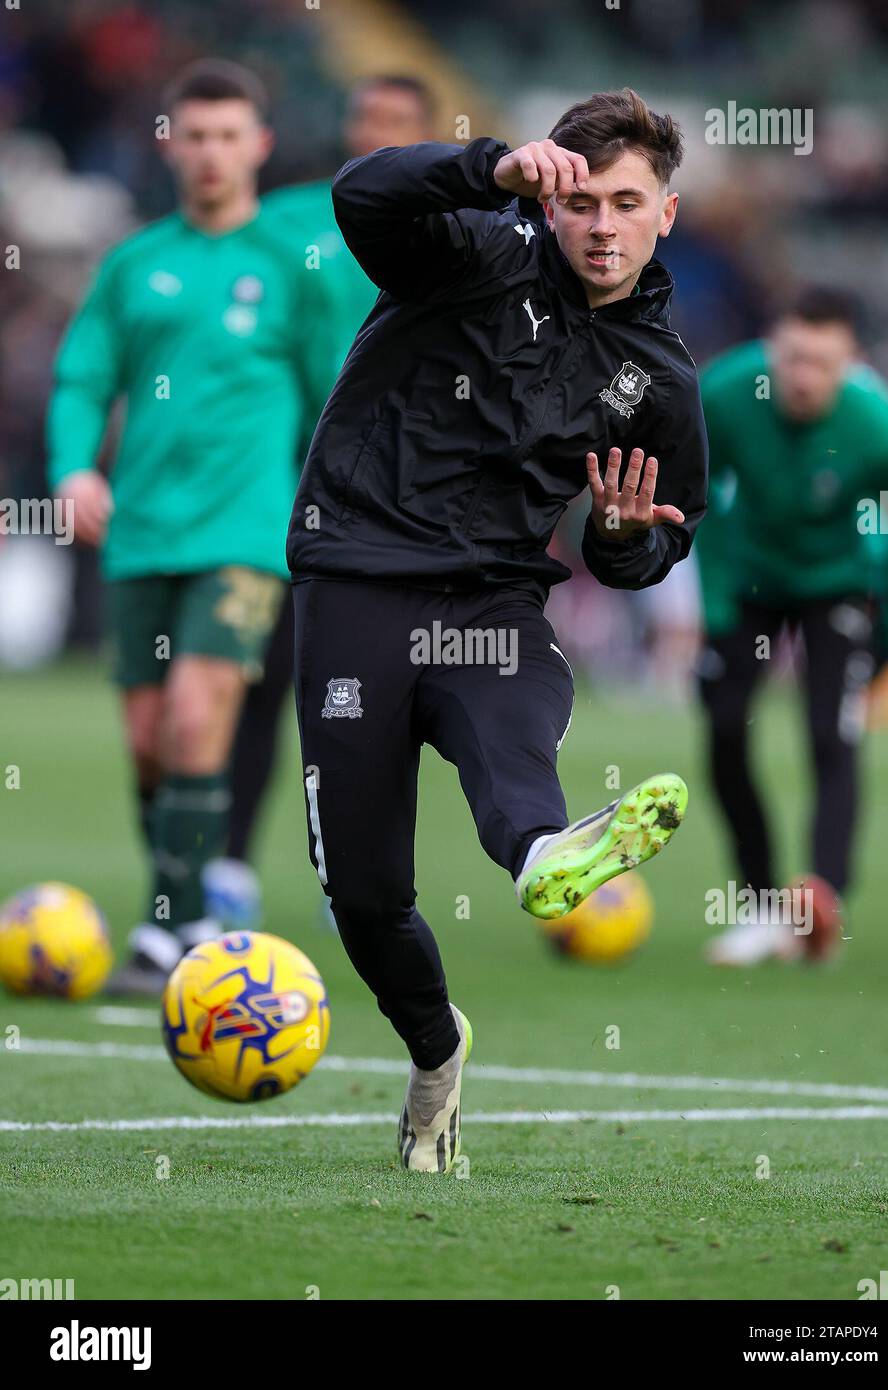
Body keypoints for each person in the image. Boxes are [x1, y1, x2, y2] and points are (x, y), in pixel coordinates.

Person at [287, 88, 708, 1172]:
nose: (603, 226)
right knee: (366, 896)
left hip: (493, 604)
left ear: (668, 211)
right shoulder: (473, 251)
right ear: (555, 201)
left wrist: (620, 539)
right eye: (585, 203)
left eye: (629, 203)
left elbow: (660, 542)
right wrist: (486, 169)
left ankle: (542, 857)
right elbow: (361, 196)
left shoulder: (658, 381)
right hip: (361, 588)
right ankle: (436, 1051)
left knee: (508, 739)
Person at [47, 59, 353, 993]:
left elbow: (332, 399)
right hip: (142, 531)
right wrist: (70, 468)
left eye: (230, 136)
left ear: (258, 145)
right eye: (196, 135)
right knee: (147, 740)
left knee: (194, 714)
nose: (212, 153)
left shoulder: (291, 269)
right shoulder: (136, 265)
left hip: (247, 532)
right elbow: (82, 378)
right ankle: (188, 905)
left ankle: (170, 928)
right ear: (171, 145)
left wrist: (330, 513)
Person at [215, 74, 439, 925]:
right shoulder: (282, 224)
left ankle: (372, 876)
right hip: (294, 494)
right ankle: (228, 865)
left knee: (390, 694)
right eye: (365, 121)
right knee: (267, 677)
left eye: (396, 127)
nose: (375, 136)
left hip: (412, 500)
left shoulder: (470, 234)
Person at [696, 288, 888, 967]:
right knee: (727, 727)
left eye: (822, 363)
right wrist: (715, 605)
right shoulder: (724, 395)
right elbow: (694, 494)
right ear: (772, 348)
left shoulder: (880, 429)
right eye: (793, 359)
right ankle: (762, 904)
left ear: (850, 361)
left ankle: (818, 905)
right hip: (750, 575)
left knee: (832, 732)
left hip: (838, 581)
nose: (803, 377)